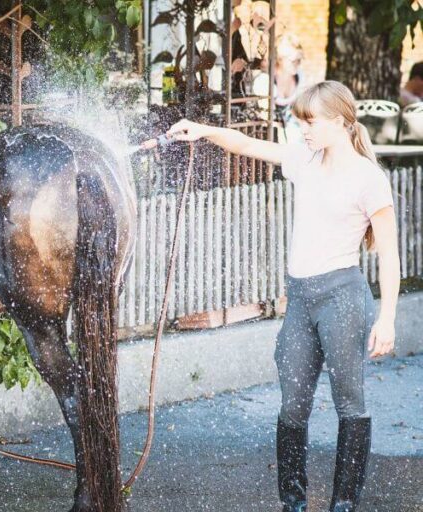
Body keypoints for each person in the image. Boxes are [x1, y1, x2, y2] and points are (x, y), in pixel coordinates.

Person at [166, 80, 399, 512]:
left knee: (350, 403)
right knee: (293, 405)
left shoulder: (368, 178)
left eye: (310, 122)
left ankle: (343, 504)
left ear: (340, 122)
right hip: (301, 299)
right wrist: (201, 129)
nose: (304, 131)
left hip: (342, 298)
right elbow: (246, 144)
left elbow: (388, 255)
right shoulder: (305, 161)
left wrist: (386, 318)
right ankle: (292, 502)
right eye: (300, 122)